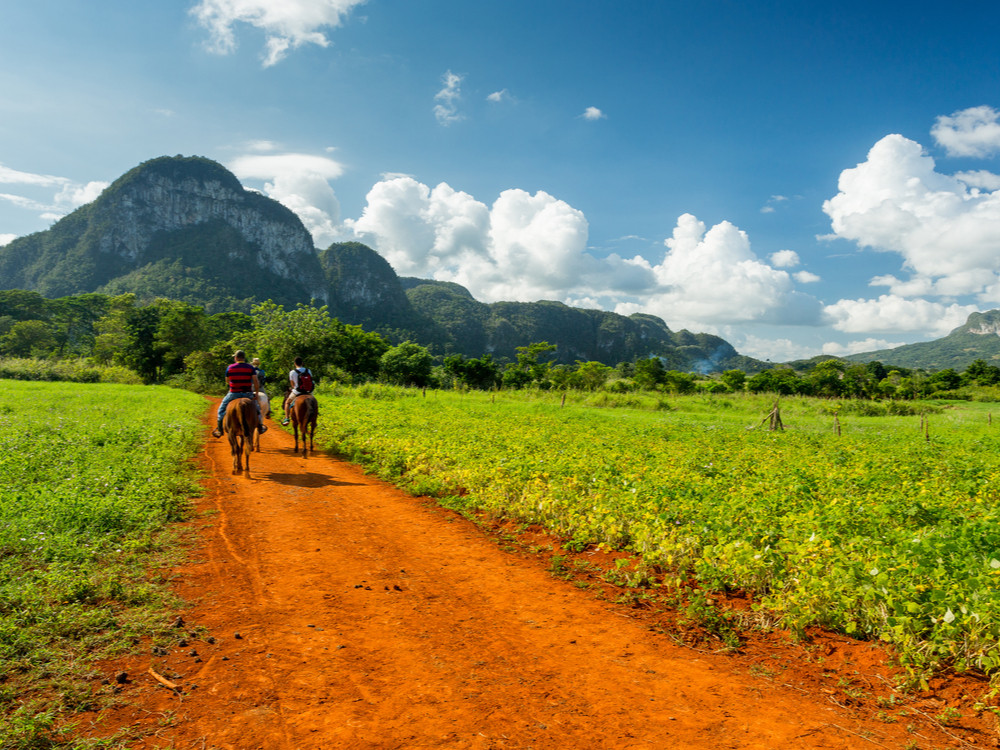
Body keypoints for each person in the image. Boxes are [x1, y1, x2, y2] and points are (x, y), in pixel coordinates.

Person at [212, 350, 267, 438]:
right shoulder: (250, 368)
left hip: (233, 393)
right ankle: (260, 427)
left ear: (236, 357)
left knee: (221, 410)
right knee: (257, 410)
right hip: (247, 394)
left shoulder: (230, 367)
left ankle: (220, 430)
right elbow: (256, 381)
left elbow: (227, 381)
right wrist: (256, 393)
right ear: (244, 358)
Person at [282, 356, 315, 425]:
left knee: (287, 402)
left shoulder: (292, 372)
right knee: (313, 403)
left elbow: (292, 384)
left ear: (295, 363)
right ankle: (314, 417)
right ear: (302, 363)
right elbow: (311, 380)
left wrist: (294, 387)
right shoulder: (308, 370)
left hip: (297, 391)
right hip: (308, 391)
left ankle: (287, 418)